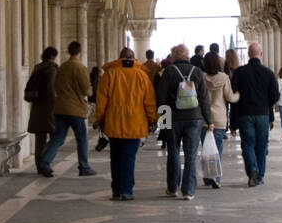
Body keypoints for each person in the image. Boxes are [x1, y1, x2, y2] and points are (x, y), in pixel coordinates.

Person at [93, 48, 157, 201]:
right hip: (135, 123)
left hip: (113, 122)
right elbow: (149, 101)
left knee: (115, 157)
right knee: (128, 157)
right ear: (134, 59)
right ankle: (126, 190)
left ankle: (116, 189)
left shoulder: (109, 74)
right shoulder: (142, 75)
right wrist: (152, 119)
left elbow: (101, 100)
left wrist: (99, 118)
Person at [156, 44, 211, 199]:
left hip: (173, 118)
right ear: (187, 56)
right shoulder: (197, 71)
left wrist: (163, 122)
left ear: (173, 56)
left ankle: (173, 187)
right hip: (194, 117)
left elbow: (161, 98)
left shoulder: (168, 72)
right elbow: (204, 98)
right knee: (191, 154)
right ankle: (188, 190)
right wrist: (209, 119)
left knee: (173, 152)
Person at [38, 42, 96, 177]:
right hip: (75, 109)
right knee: (82, 138)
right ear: (79, 52)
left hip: (60, 107)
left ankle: (44, 161)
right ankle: (84, 166)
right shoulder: (80, 68)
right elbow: (86, 90)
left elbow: (56, 87)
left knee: (58, 137)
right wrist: (91, 90)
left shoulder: (62, 67)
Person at [235, 42, 280, 186]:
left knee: (247, 144)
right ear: (260, 54)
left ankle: (252, 169)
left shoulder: (240, 72)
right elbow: (275, 95)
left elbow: (234, 95)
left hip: (245, 114)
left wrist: (233, 121)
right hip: (262, 114)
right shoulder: (268, 73)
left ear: (248, 54)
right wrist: (268, 108)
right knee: (261, 145)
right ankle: (259, 175)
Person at [201, 52, 238, 188]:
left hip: (204, 118)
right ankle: (216, 177)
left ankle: (207, 176)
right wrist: (238, 95)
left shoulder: (201, 77)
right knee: (217, 149)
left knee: (206, 149)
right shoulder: (224, 78)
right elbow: (229, 97)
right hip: (219, 118)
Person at [27, 47, 59, 175]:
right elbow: (51, 90)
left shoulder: (37, 68)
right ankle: (45, 162)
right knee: (56, 136)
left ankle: (39, 166)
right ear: (52, 56)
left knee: (40, 138)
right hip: (48, 108)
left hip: (37, 108)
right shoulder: (51, 69)